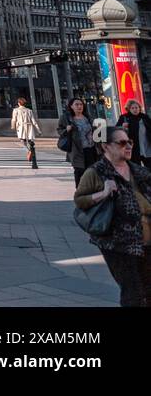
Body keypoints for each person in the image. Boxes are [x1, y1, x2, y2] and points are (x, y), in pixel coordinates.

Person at [73, 125, 151, 306]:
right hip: (117, 243)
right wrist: (103, 193)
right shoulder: (96, 172)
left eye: (129, 142)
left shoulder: (138, 171)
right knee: (133, 292)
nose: (129, 146)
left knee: (148, 288)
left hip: (146, 240)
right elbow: (80, 200)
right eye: (122, 143)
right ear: (106, 146)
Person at [58, 97, 98, 187]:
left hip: (90, 148)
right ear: (71, 106)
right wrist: (66, 130)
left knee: (91, 171)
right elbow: (59, 130)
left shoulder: (87, 117)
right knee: (79, 171)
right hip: (76, 149)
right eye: (76, 104)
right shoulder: (66, 118)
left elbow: (93, 130)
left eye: (81, 104)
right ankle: (80, 192)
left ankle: (89, 191)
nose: (79, 106)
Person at [116, 100, 151, 169]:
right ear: (129, 109)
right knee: (136, 170)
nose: (135, 109)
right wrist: (122, 126)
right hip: (133, 149)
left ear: (139, 108)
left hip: (146, 147)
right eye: (132, 108)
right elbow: (116, 130)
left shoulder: (144, 117)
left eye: (136, 107)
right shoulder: (124, 118)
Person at [10, 96, 40, 164]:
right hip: (29, 126)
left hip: (21, 126)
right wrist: (38, 130)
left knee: (22, 140)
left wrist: (13, 126)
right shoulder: (29, 111)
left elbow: (14, 119)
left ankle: (29, 151)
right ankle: (30, 151)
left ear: (19, 103)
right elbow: (33, 121)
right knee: (30, 140)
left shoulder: (16, 110)